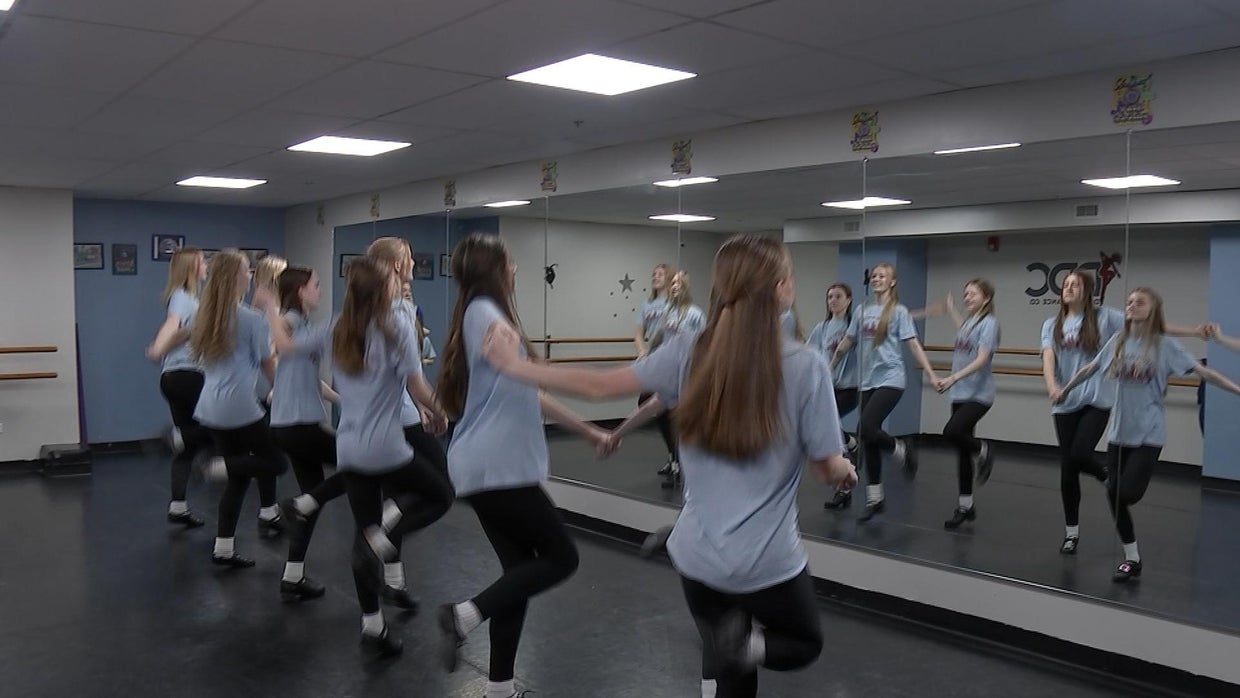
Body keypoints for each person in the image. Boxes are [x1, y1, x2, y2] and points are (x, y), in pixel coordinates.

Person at [483, 234, 856, 698]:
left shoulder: (688, 350)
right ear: (782, 287)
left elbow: (601, 388)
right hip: (765, 564)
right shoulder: (807, 365)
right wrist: (844, 469)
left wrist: (511, 365)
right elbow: (826, 469)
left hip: (697, 563)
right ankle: (740, 642)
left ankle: (734, 644)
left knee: (733, 679)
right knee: (802, 644)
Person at [434, 234, 607, 698]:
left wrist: (587, 430)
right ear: (497, 269)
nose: (516, 271)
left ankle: (500, 688)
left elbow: (527, 390)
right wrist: (590, 384)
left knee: (518, 576)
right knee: (561, 557)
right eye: (511, 263)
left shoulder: (477, 314)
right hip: (497, 467)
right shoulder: (489, 318)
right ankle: (464, 614)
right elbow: (520, 374)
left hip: (485, 467)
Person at [267, 256, 454, 656]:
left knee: (363, 537)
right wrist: (442, 413)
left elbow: (286, 348)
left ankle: (373, 627)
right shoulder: (397, 327)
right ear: (384, 290)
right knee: (440, 495)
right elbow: (417, 387)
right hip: (387, 448)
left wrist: (269, 310)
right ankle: (383, 534)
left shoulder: (335, 326)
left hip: (349, 449)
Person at [1055, 288, 1240, 582]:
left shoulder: (1164, 345)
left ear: (1153, 310)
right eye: (1129, 302)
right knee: (1114, 496)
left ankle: (1115, 485)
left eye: (1140, 302)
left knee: (1124, 494)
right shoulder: (1118, 341)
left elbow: (1204, 373)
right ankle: (1132, 558)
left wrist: (1237, 390)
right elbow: (1091, 367)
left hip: (1148, 435)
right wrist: (1065, 389)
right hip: (1118, 435)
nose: (1131, 306)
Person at [188, 250, 288, 568]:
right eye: (247, 270)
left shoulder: (203, 315)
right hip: (240, 409)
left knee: (240, 479)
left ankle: (224, 548)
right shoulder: (250, 319)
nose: (251, 274)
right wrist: (282, 392)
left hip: (210, 408)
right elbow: (267, 363)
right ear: (235, 278)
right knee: (276, 462)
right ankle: (216, 467)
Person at [259, 266, 349, 601]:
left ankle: (292, 575)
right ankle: (301, 502)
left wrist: (343, 401)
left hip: (290, 425)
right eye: (316, 285)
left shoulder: (305, 326)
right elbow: (279, 340)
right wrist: (270, 308)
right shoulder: (291, 322)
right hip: (299, 426)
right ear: (301, 291)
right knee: (360, 466)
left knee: (312, 502)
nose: (320, 290)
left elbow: (311, 379)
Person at [832, 263, 939, 521]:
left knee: (867, 426)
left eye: (882, 276)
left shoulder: (899, 312)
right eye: (874, 276)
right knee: (868, 438)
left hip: (891, 378)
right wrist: (830, 366)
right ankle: (875, 498)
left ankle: (901, 449)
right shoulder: (862, 310)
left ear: (892, 282)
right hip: (868, 381)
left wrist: (932, 374)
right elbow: (848, 342)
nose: (876, 279)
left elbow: (913, 346)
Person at [145, 247, 210, 528]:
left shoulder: (189, 299)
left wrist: (169, 344)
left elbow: (182, 331)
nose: (206, 265)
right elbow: (173, 324)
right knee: (218, 429)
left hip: (174, 377)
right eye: (203, 261)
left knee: (187, 446)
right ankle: (175, 438)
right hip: (188, 377)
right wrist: (159, 346)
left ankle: (178, 505)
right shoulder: (183, 298)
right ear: (192, 268)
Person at [932, 280, 1000, 529]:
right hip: (960, 394)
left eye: (973, 294)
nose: (967, 297)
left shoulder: (990, 324)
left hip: (978, 395)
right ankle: (966, 506)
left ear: (986, 298)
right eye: (965, 294)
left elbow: (982, 358)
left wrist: (952, 378)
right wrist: (950, 309)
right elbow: (965, 333)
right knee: (961, 450)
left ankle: (983, 450)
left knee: (952, 432)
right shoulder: (970, 323)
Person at [809, 283, 861, 510]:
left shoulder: (853, 327)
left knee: (828, 425)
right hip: (827, 388)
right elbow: (810, 353)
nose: (833, 300)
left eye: (838, 296)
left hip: (849, 388)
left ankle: (848, 449)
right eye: (830, 296)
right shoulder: (821, 328)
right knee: (829, 431)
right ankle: (850, 446)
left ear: (849, 300)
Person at [634, 263, 679, 478]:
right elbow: (638, 333)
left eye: (660, 274)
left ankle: (678, 457)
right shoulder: (647, 304)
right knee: (648, 403)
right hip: (654, 362)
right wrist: (643, 351)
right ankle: (674, 455)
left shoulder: (676, 303)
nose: (655, 277)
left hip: (671, 364)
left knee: (664, 407)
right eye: (653, 274)